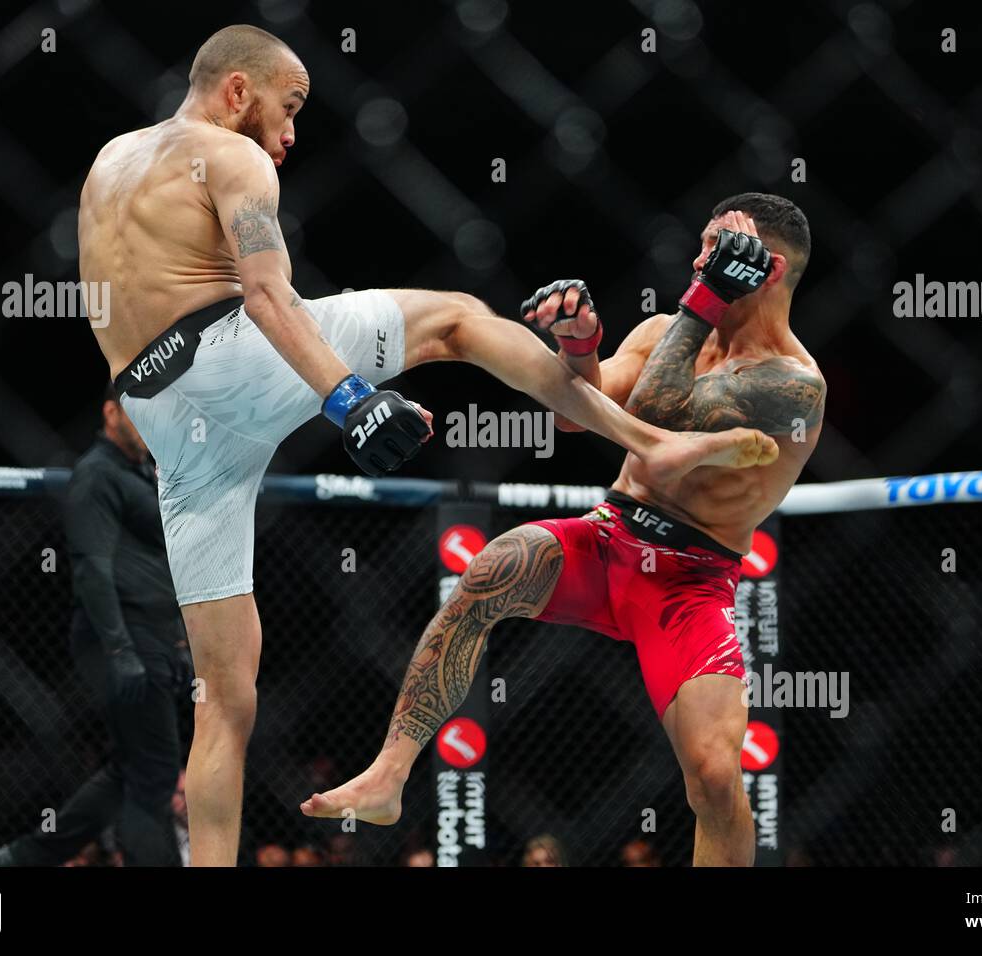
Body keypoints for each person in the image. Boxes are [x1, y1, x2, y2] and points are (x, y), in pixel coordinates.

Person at [78, 24, 772, 866]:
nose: (293, 132)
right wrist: (349, 399)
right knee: (454, 321)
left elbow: (110, 316)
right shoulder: (234, 157)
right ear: (236, 91)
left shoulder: (109, 162)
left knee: (224, 696)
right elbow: (265, 294)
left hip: (159, 411)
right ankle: (645, 440)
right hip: (226, 352)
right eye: (288, 107)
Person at [302, 196, 825, 868]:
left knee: (717, 777)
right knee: (493, 567)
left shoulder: (795, 384)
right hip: (609, 538)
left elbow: (662, 409)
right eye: (701, 246)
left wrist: (701, 304)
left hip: (691, 582)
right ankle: (388, 775)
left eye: (719, 249)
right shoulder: (669, 328)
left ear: (769, 267)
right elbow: (585, 412)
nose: (699, 262)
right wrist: (579, 347)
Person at [0, 387, 191, 867]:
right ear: (110, 412)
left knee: (132, 768)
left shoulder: (142, 477)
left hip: (151, 636)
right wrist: (122, 653)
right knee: (156, 773)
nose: (150, 426)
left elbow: (161, 565)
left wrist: (179, 643)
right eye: (140, 415)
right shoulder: (96, 475)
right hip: (121, 636)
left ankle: (23, 858)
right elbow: (91, 569)